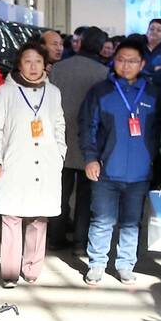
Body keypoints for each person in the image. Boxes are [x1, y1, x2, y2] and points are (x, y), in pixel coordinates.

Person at [80, 36, 160, 285]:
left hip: (139, 173)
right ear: (114, 61)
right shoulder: (100, 91)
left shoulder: (152, 93)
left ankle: (125, 264)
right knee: (102, 220)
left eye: (133, 61)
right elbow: (87, 127)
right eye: (121, 60)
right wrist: (91, 158)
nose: (126, 65)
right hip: (106, 171)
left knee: (131, 222)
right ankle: (97, 263)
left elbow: (160, 131)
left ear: (142, 63)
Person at [0, 42, 66, 288]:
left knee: (39, 219)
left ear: (46, 65)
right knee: (12, 217)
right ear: (19, 64)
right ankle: (10, 273)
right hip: (14, 163)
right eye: (28, 61)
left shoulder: (53, 93)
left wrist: (60, 154)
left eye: (38, 62)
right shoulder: (6, 92)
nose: (33, 67)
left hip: (46, 165)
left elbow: (59, 126)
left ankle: (32, 268)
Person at [49, 25, 108, 253]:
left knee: (60, 193)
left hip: (59, 141)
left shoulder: (59, 69)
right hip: (88, 144)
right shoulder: (102, 73)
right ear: (102, 47)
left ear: (79, 43)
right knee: (85, 196)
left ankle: (55, 237)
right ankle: (80, 243)